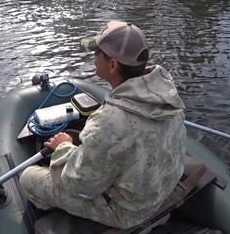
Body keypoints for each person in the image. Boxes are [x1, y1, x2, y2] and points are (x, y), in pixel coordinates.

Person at [20, 20, 187, 229]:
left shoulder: (108, 122)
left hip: (127, 212)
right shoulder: (167, 92)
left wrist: (63, 147)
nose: (94, 57)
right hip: (161, 189)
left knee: (27, 178)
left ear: (113, 64)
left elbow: (78, 184)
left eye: (97, 52)